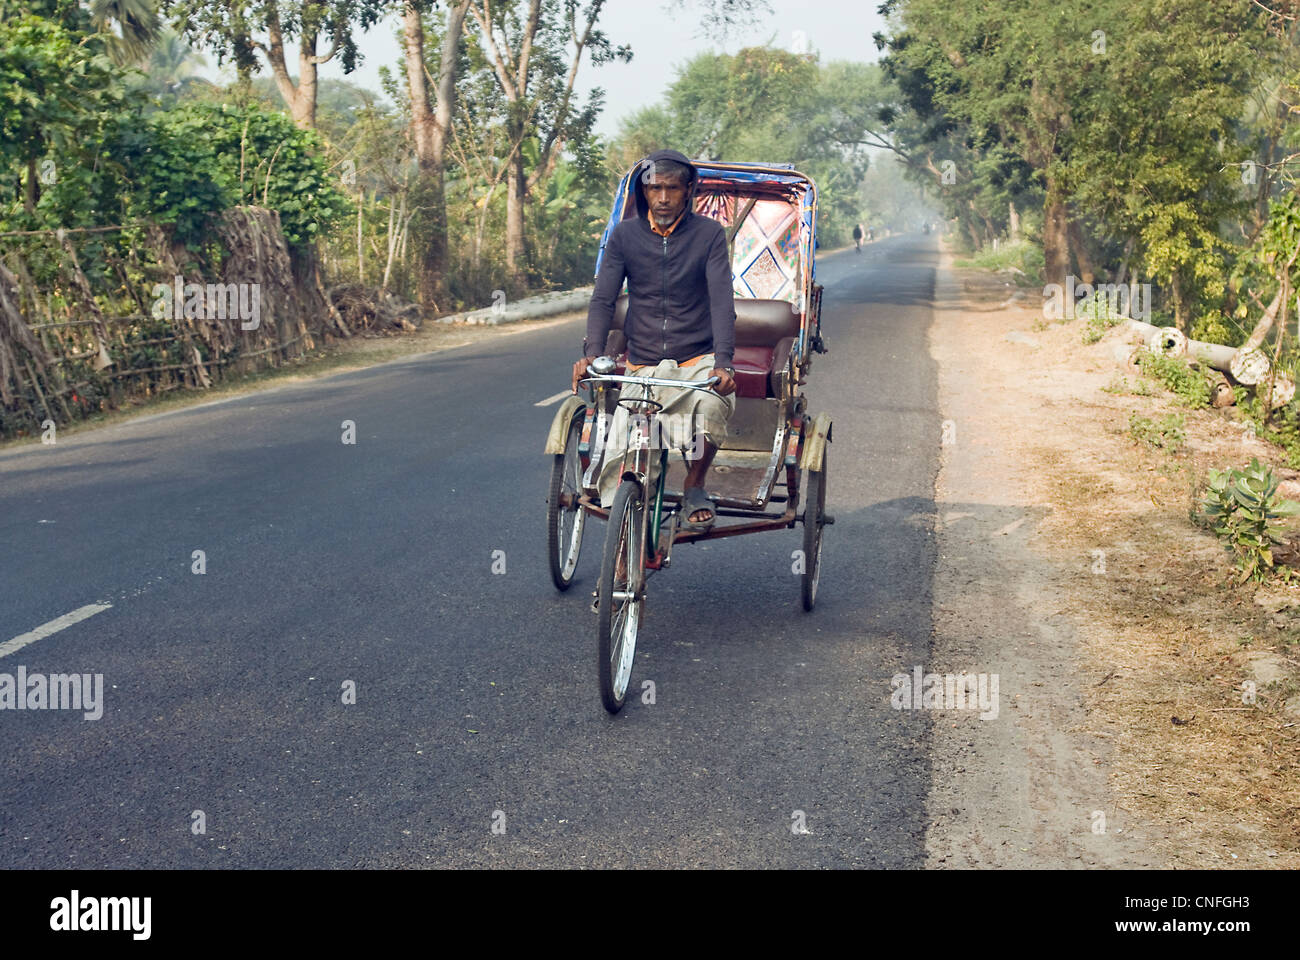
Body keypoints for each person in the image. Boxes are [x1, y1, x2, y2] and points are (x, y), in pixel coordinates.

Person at [574, 149, 737, 531]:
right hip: (643, 363)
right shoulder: (624, 235)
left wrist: (724, 362)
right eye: (655, 188)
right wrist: (592, 354)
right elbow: (603, 299)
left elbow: (721, 300)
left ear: (688, 190)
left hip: (695, 358)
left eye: (672, 189)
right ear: (643, 192)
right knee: (629, 449)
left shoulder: (709, 235)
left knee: (712, 406)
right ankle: (623, 543)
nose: (663, 197)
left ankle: (695, 483)